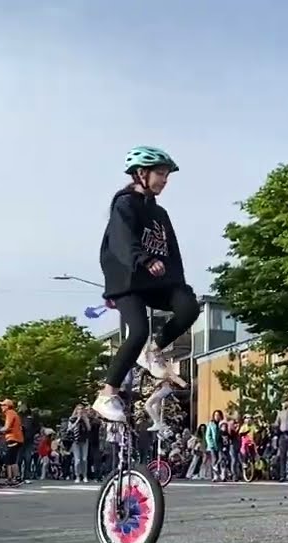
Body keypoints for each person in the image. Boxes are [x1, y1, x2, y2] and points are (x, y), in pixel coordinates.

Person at [92, 145, 200, 423]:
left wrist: (180, 286)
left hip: (156, 281)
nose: (165, 180)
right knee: (138, 331)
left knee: (189, 308)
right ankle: (107, 394)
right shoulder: (124, 204)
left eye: (167, 175)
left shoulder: (160, 214)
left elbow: (172, 252)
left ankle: (155, 349)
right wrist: (145, 258)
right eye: (161, 174)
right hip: (129, 280)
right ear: (142, 173)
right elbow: (121, 240)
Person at [137, 340, 187, 433]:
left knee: (148, 405)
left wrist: (183, 384)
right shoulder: (152, 366)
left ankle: (158, 423)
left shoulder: (165, 368)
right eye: (156, 356)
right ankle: (161, 426)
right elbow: (145, 356)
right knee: (155, 407)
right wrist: (147, 347)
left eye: (159, 356)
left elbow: (174, 376)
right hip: (159, 389)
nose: (157, 358)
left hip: (165, 389)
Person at [0, 399, 25, 484]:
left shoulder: (10, 413)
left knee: (9, 459)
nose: (1, 407)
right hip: (17, 438)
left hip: (13, 438)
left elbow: (7, 427)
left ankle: (11, 478)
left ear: (7, 406)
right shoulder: (13, 413)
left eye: (3, 405)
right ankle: (16, 477)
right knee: (12, 459)